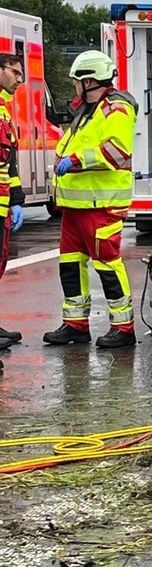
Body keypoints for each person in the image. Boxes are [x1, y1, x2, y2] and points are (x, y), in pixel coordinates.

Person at [43, 51, 138, 349]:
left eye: (76, 82)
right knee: (70, 264)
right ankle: (75, 325)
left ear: (88, 81)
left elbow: (116, 151)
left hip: (101, 204)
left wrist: (74, 160)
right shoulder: (88, 110)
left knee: (108, 265)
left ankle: (123, 328)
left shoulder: (116, 110)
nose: (74, 87)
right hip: (76, 206)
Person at [0, 52, 26, 364]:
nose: (20, 80)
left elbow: (9, 159)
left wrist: (16, 199)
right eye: (15, 73)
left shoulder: (5, 109)